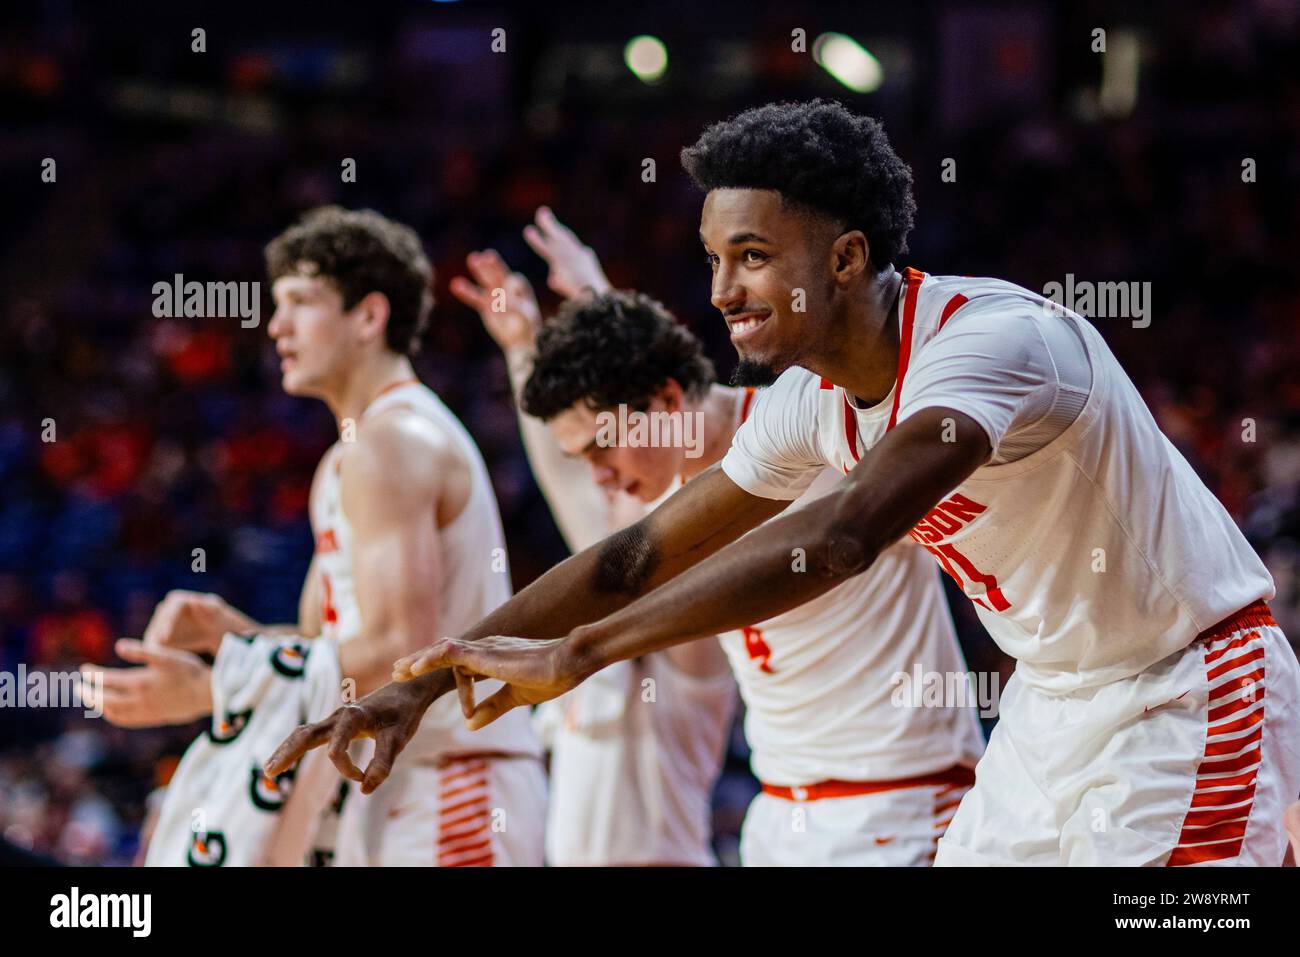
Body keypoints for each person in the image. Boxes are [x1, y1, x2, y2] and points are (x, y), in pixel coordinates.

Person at [270, 103, 1300, 867]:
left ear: (847, 257)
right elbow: (634, 550)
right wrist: (423, 678)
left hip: (1185, 681)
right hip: (1050, 705)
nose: (722, 290)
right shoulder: (806, 404)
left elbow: (847, 533)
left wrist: (579, 652)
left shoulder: (991, 342)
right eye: (714, 258)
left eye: (753, 256)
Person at [448, 210, 983, 865]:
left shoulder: (821, 424)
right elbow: (597, 505)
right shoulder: (669, 492)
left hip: (904, 801)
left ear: (667, 403)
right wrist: (546, 329)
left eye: (602, 449)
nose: (600, 478)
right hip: (783, 810)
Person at [90, 207, 545, 866]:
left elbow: (402, 647)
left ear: (368, 317)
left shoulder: (392, 442)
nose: (275, 326)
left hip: (454, 780)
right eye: (277, 306)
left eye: (300, 303)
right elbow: (326, 651)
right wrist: (237, 642)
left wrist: (218, 690)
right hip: (388, 785)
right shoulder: (345, 458)